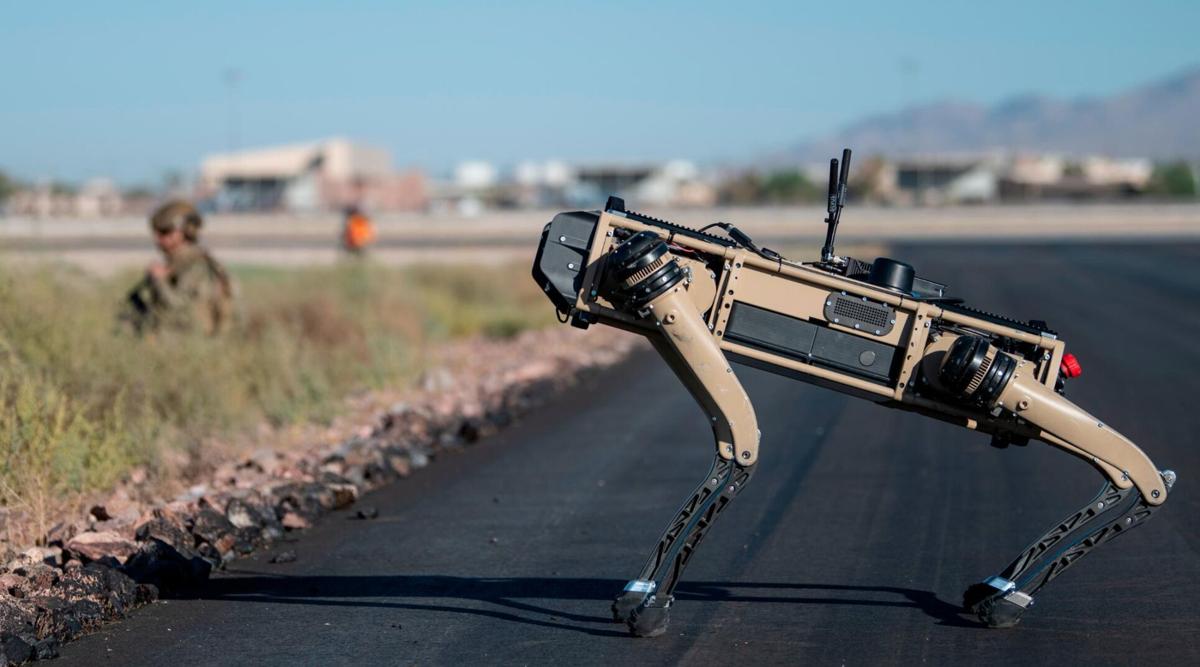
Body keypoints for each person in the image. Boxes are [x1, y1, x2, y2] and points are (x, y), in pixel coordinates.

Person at [122, 200, 233, 336]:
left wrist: (160, 281)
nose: (158, 239)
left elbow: (182, 309)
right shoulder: (178, 263)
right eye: (157, 233)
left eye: (165, 232)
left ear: (185, 232)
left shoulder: (196, 266)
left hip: (191, 340)